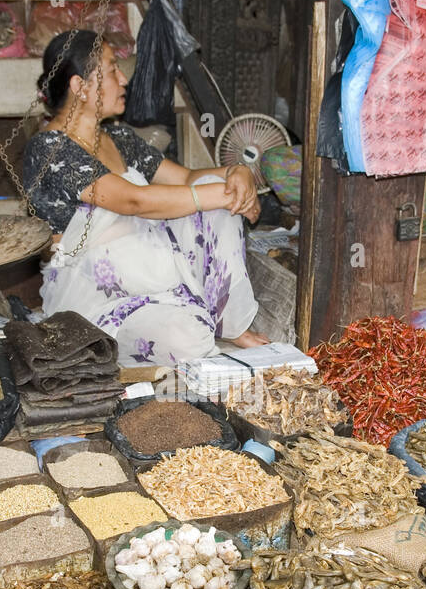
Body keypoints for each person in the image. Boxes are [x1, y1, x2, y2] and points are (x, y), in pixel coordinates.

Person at [22, 30, 269, 367]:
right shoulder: (48, 149)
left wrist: (236, 173)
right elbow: (133, 201)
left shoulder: (119, 137)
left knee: (216, 191)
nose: (124, 79)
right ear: (80, 86)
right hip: (95, 296)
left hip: (153, 271)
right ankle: (191, 323)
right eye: (112, 70)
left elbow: (185, 178)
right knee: (188, 339)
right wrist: (225, 195)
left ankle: (228, 322)